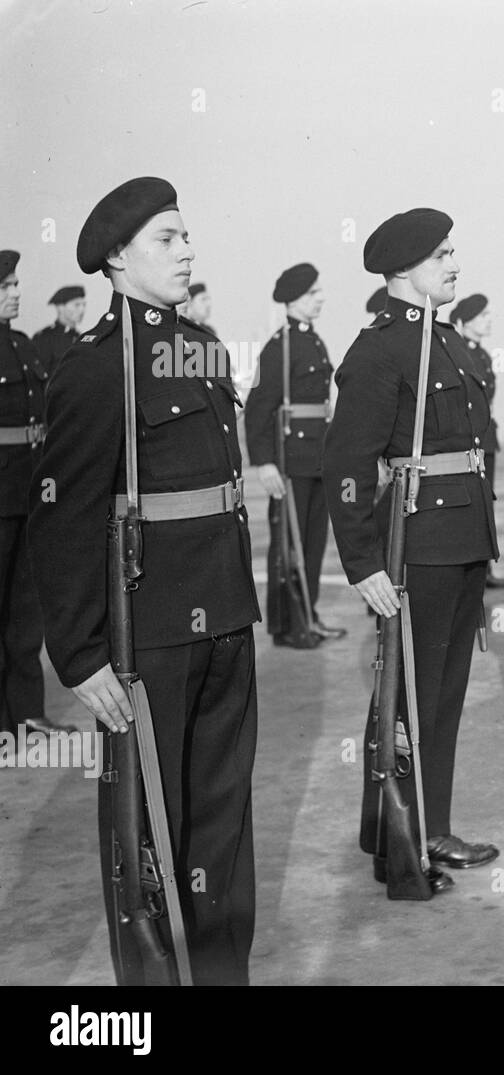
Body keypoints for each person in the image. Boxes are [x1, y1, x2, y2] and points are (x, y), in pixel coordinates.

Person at [28, 177, 260, 984]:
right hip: (150, 633)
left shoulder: (200, 349)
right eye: (166, 238)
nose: (186, 249)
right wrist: (82, 654)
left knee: (223, 829)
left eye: (186, 235)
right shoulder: (94, 371)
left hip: (225, 615)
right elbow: (63, 519)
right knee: (148, 840)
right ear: (118, 260)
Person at [323, 207, 501, 881]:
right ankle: (406, 839)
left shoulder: (448, 341)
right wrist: (363, 562)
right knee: (409, 699)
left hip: (460, 537)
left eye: (454, 253)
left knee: (441, 695)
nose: (454, 265)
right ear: (402, 270)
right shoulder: (379, 351)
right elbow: (346, 465)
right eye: (441, 257)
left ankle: (416, 825)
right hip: (416, 546)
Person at [245, 262, 345, 645]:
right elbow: (259, 407)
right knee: (289, 544)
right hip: (289, 460)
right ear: (293, 299)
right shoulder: (279, 347)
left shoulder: (314, 340)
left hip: (316, 457)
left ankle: (309, 615)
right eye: (312, 293)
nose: (320, 298)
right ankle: (288, 627)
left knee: (314, 542)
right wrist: (266, 461)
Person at [0, 250, 66, 739]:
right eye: (6, 286)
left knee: (26, 611)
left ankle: (25, 714)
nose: (16, 292)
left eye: (16, 284)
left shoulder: (23, 345)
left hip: (26, 492)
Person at [450, 292, 504, 588]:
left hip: (486, 439)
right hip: (468, 443)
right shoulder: (458, 352)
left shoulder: (483, 355)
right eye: (481, 316)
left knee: (486, 505)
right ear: (463, 321)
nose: (488, 321)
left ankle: (484, 570)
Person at [32, 285, 86, 377]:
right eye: (76, 305)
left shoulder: (79, 337)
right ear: (60, 307)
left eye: (84, 305)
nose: (82, 310)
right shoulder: (45, 338)